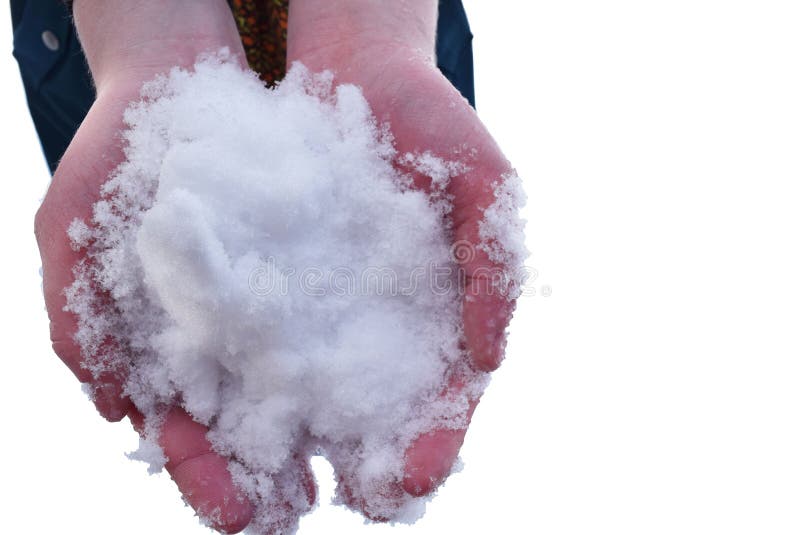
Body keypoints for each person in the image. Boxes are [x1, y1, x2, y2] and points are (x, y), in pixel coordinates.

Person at [18, 1, 516, 532]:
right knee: (124, 201)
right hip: (104, 46)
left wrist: (370, 26)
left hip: (385, 58)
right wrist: (134, 28)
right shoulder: (165, 165)